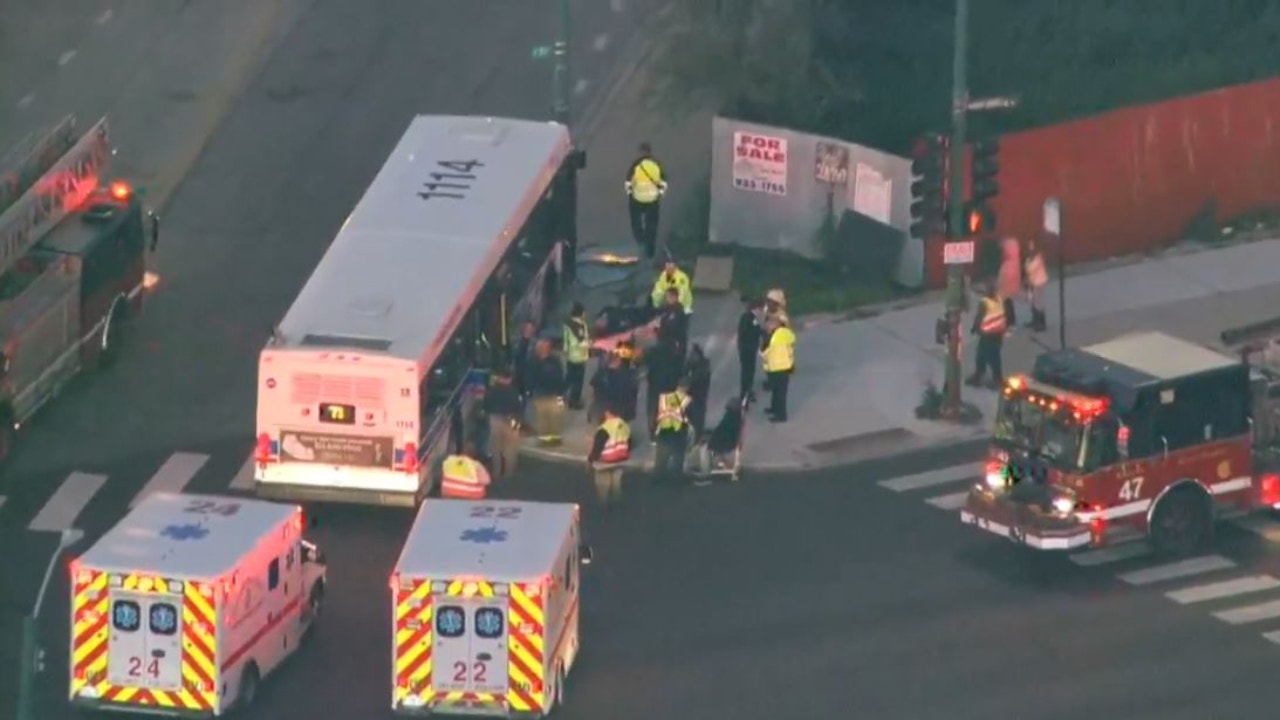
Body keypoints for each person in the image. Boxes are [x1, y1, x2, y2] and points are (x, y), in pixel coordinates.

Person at [625, 141, 667, 259]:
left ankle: (640, 240)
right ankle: (650, 251)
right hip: (652, 200)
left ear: (641, 152)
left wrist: (630, 194)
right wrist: (660, 194)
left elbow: (628, 181)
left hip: (637, 199)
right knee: (652, 225)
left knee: (636, 222)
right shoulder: (656, 164)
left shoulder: (636, 165)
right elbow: (663, 181)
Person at [587, 407, 632, 512]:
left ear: (608, 413)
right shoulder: (624, 425)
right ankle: (619, 507)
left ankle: (604, 509)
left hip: (605, 462)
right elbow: (629, 443)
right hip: (620, 459)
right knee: (617, 486)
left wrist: (591, 460)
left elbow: (598, 447)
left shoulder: (605, 428)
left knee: (603, 487)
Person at [967, 282, 1008, 388]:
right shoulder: (998, 299)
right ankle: (986, 376)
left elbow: (979, 316)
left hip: (988, 333)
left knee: (986, 355)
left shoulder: (984, 303)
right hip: (998, 332)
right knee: (992, 355)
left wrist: (974, 328)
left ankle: (990, 378)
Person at [484, 369, 522, 480]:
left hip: (495, 419)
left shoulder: (492, 390)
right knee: (511, 449)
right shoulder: (514, 391)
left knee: (496, 448)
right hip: (511, 420)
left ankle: (496, 473)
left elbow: (486, 405)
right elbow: (519, 407)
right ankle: (509, 475)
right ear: (509, 379)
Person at [527, 339, 566, 444]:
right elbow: (530, 377)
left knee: (555, 417)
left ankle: (555, 439)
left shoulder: (554, 360)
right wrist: (531, 390)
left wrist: (561, 393)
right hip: (540, 394)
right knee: (542, 418)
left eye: (546, 346)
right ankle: (544, 440)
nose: (543, 349)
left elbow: (559, 376)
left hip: (554, 394)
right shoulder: (533, 361)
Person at [653, 380, 692, 482]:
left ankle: (658, 478)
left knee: (661, 457)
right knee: (678, 456)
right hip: (677, 431)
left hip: (663, 429)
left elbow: (657, 412)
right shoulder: (687, 399)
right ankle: (676, 479)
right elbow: (688, 416)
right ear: (686, 388)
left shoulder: (663, 397)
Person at [761, 314, 796, 423]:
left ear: (774, 324)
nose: (766, 326)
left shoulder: (776, 336)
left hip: (779, 368)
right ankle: (775, 409)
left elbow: (765, 351)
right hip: (779, 367)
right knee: (777, 391)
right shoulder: (782, 333)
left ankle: (781, 415)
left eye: (768, 324)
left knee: (779, 393)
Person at [644, 339, 681, 437]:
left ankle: (653, 432)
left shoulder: (652, 353)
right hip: (668, 385)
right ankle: (666, 430)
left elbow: (645, 365)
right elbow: (677, 369)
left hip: (655, 385)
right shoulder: (673, 353)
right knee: (666, 409)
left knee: (653, 410)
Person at [562, 302, 590, 409]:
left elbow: (566, 338)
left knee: (569, 377)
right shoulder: (581, 326)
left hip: (570, 356)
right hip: (579, 357)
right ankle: (575, 401)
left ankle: (560, 393)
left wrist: (565, 349)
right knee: (578, 381)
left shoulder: (567, 324)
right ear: (581, 313)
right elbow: (581, 341)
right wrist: (589, 344)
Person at [736, 296, 764, 403]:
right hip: (747, 349)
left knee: (750, 371)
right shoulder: (748, 318)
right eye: (760, 309)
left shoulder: (752, 318)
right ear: (756, 308)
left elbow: (757, 330)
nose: (761, 312)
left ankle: (748, 391)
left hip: (749, 348)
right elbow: (746, 332)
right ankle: (744, 394)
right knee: (747, 372)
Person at [685, 344, 712, 441]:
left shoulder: (703, 366)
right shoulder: (693, 364)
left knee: (697, 417)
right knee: (690, 417)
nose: (691, 356)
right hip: (691, 397)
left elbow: (695, 379)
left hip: (698, 397)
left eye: (693, 355)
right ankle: (693, 435)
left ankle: (697, 437)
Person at [655, 288, 689, 358]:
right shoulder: (665, 309)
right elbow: (658, 321)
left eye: (669, 297)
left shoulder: (679, 311)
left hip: (674, 344)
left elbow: (674, 327)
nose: (667, 299)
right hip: (664, 342)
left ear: (675, 298)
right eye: (667, 297)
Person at [1024, 237, 1049, 331]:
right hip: (1033, 282)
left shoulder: (1038, 257)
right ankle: (1035, 321)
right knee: (1034, 302)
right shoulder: (1032, 257)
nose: (1029, 247)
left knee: (1038, 303)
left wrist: (1027, 264)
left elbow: (1030, 269)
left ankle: (1041, 324)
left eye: (1031, 245)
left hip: (1039, 282)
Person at [997, 237, 1021, 328]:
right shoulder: (1013, 260)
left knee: (1007, 303)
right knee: (1008, 302)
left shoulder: (1009, 262)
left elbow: (1006, 275)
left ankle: (1010, 321)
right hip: (1007, 285)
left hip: (1006, 286)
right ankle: (1010, 320)